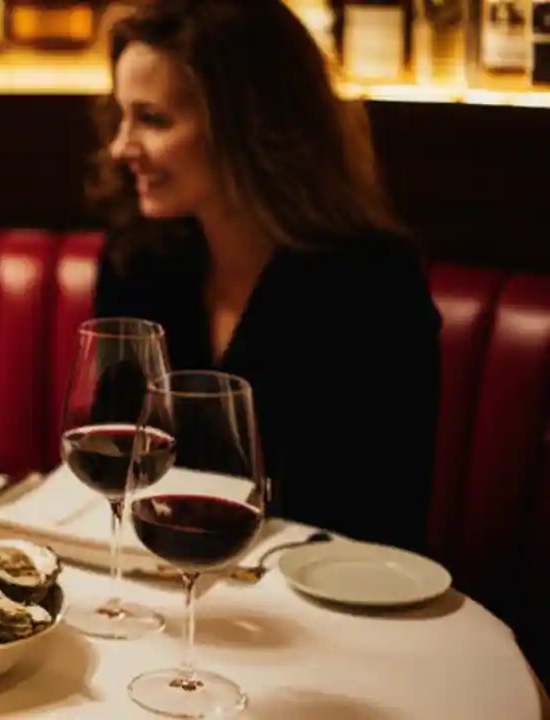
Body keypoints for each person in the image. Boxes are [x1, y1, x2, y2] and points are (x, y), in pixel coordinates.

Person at [90, 0, 441, 553]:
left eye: (152, 119)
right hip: (162, 588)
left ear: (248, 125)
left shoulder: (371, 285)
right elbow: (115, 476)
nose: (120, 146)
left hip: (323, 605)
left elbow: (378, 520)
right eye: (122, 115)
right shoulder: (140, 257)